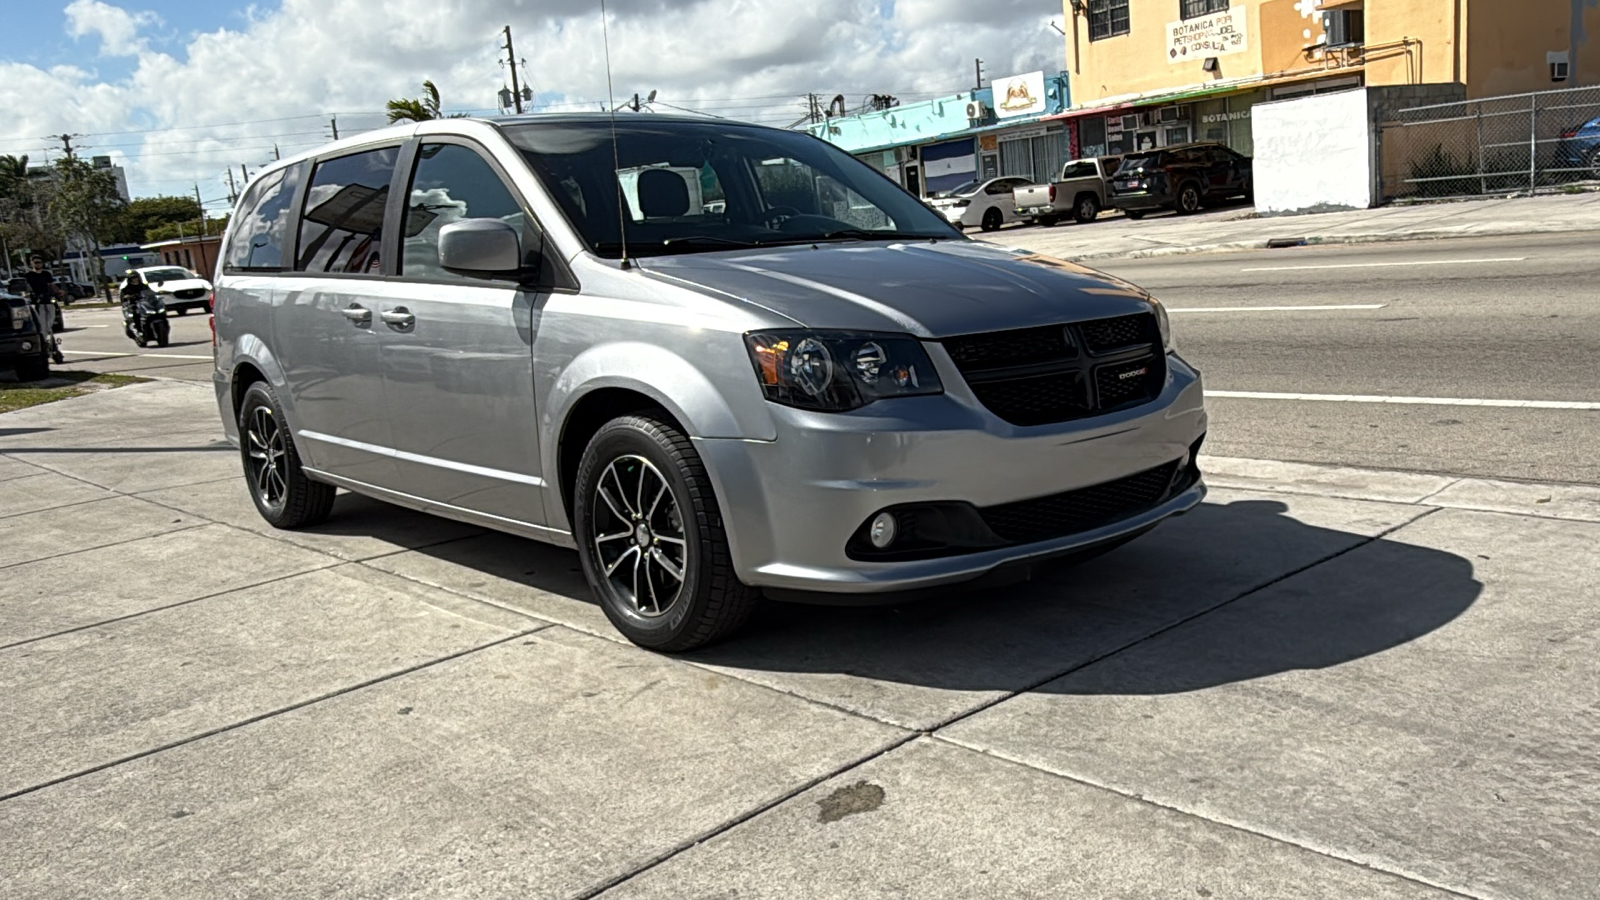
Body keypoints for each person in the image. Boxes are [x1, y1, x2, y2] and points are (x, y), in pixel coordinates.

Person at [21, 256, 65, 364]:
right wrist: (26, 295)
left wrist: (58, 292)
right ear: (31, 264)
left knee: (51, 319)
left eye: (40, 262)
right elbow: (25, 288)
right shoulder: (28, 275)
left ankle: (49, 341)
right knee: (41, 323)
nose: (38, 264)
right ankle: (43, 340)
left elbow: (52, 285)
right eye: (36, 262)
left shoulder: (46, 274)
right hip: (37, 301)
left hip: (48, 299)